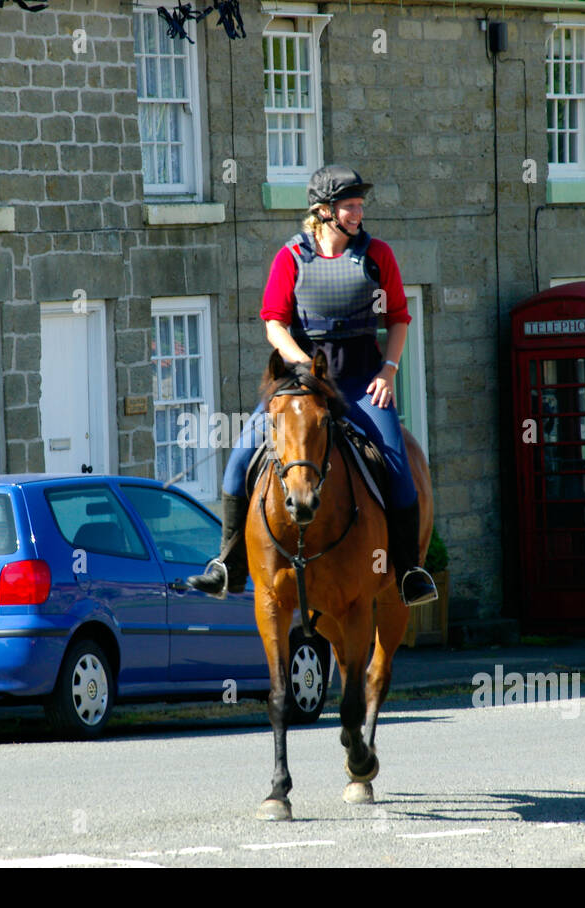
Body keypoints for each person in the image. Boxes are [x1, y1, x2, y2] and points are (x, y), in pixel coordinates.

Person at [187, 164, 438, 606]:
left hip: (362, 382)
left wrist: (390, 371)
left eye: (360, 204)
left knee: (400, 466)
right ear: (324, 212)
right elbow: (274, 325)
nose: (358, 212)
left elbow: (397, 318)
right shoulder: (290, 258)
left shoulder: (378, 256)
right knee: (238, 460)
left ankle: (409, 571)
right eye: (350, 205)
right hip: (302, 386)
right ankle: (227, 564)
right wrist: (305, 367)